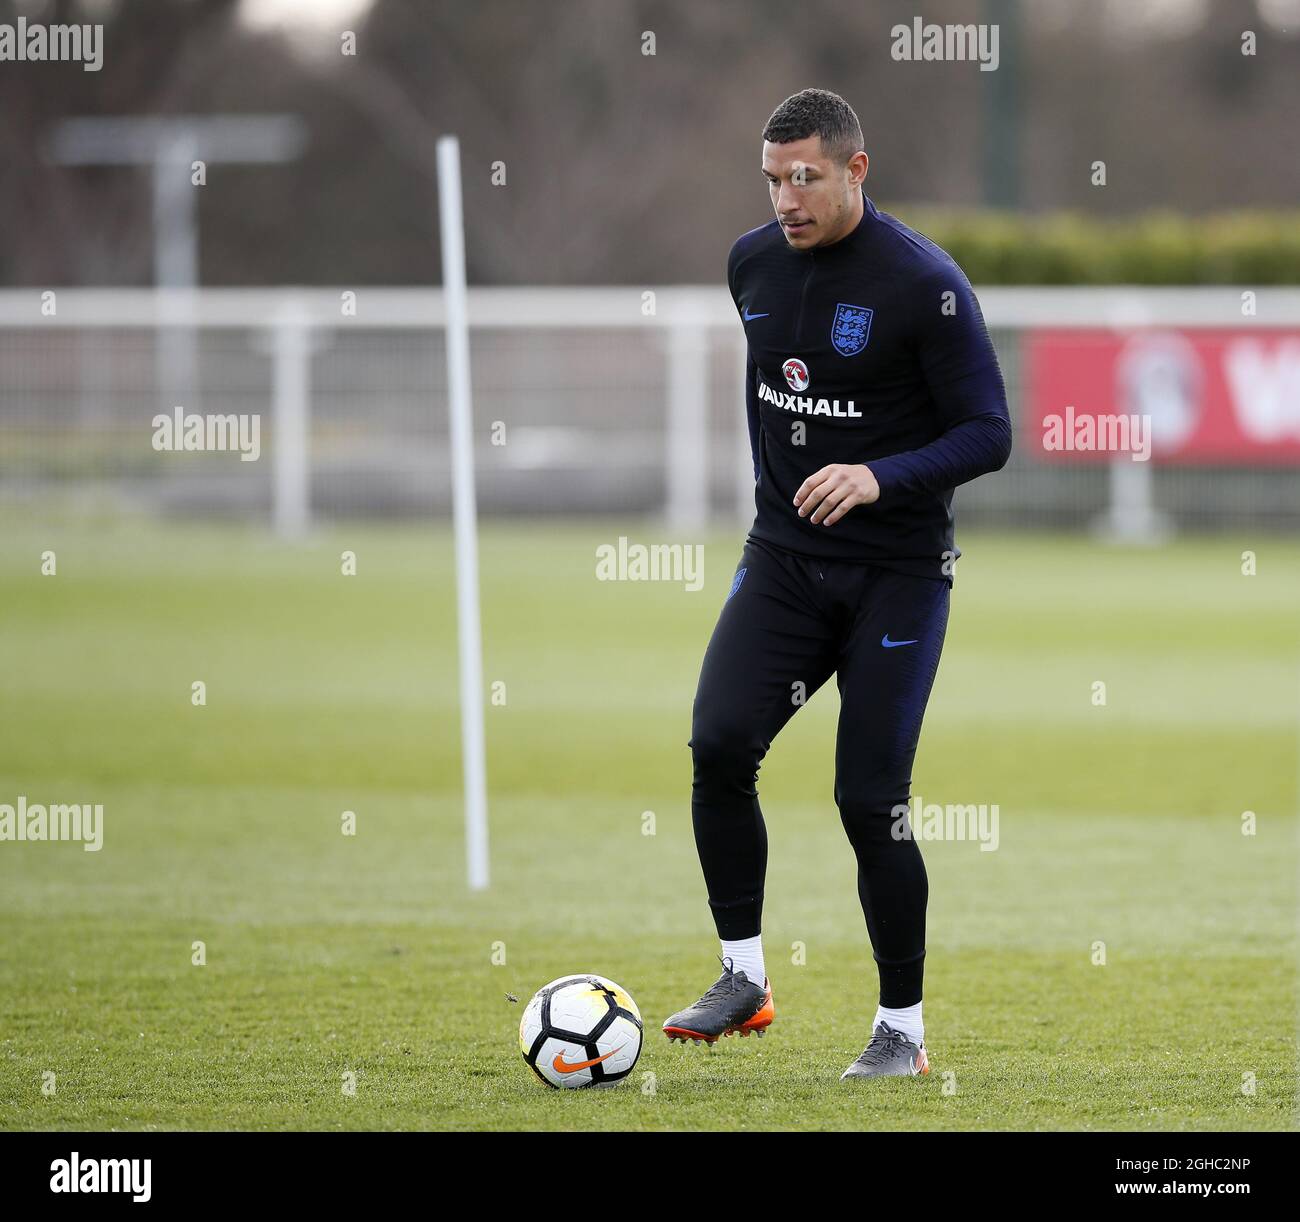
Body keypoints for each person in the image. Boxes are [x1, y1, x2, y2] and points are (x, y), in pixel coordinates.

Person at [661, 87, 1012, 1079]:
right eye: (772, 178)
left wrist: (875, 476)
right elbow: (775, 390)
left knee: (869, 799)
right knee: (720, 744)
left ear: (856, 170)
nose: (786, 198)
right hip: (782, 561)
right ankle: (743, 977)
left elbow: (990, 433)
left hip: (896, 575)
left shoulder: (924, 284)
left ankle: (900, 1029)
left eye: (805, 176)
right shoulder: (751, 264)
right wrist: (786, 501)